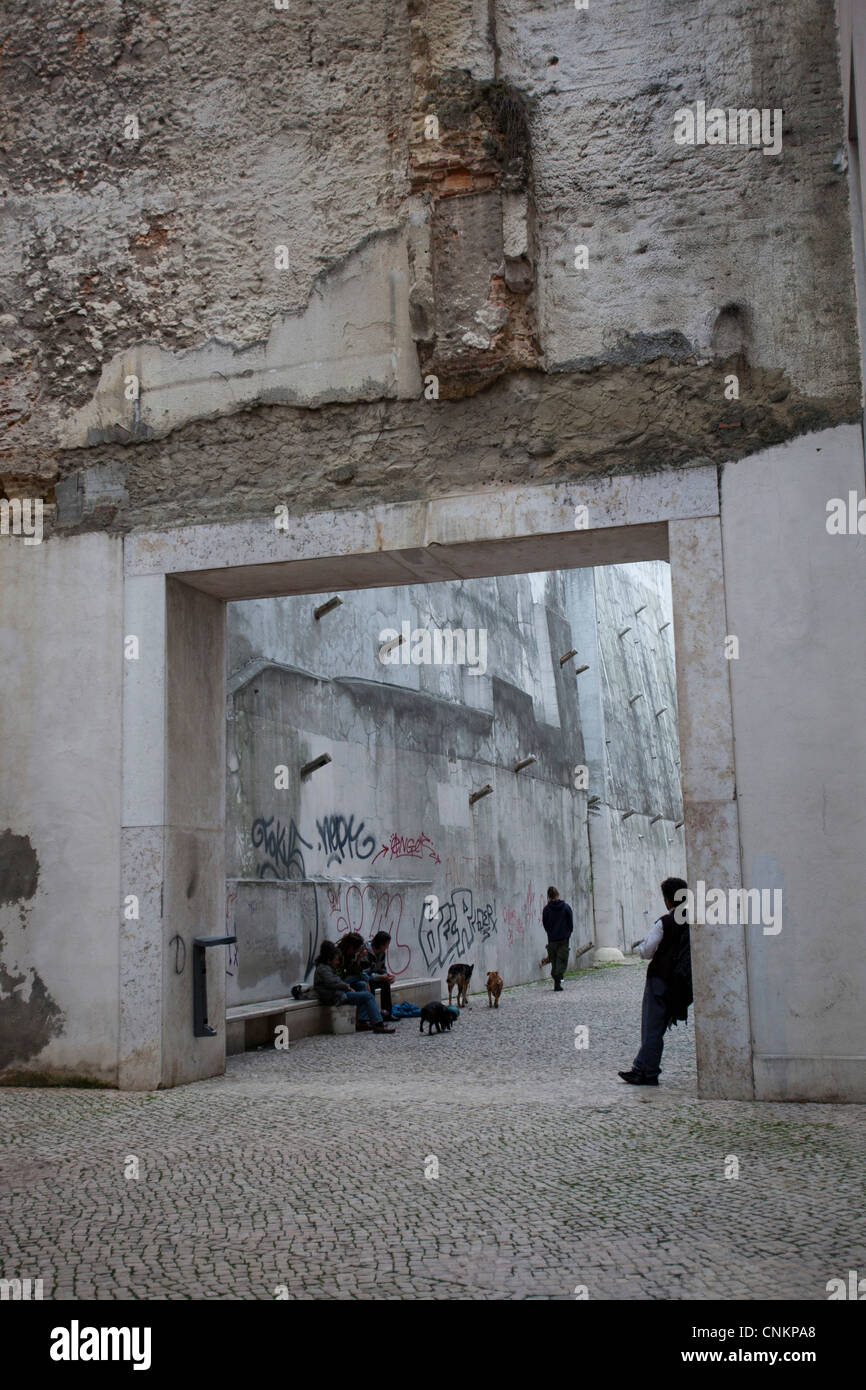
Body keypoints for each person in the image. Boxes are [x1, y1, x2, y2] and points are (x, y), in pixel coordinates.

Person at [619, 877, 693, 1086]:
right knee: (658, 1027)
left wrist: (641, 946)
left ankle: (648, 1072)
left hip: (660, 978)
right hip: (680, 983)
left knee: (651, 1027)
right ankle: (639, 1067)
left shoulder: (664, 923)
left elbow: (646, 951)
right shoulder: (692, 920)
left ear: (668, 900)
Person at [313, 941, 395, 1034]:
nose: (337, 962)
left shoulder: (327, 967)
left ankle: (363, 1021)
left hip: (338, 993)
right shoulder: (323, 968)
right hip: (335, 996)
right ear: (329, 959)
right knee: (367, 996)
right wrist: (347, 987)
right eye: (336, 960)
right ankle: (378, 1024)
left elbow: (339, 979)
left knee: (362, 985)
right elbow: (334, 982)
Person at [542, 885, 573, 991]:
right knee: (562, 960)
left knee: (554, 960)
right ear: (558, 894)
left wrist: (550, 932)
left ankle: (557, 982)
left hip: (552, 939)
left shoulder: (546, 909)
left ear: (548, 896)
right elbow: (570, 922)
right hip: (564, 938)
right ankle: (558, 980)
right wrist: (568, 932)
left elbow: (545, 924)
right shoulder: (565, 907)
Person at [365, 930, 396, 1021]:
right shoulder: (366, 952)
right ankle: (372, 1015)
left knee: (386, 983)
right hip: (366, 979)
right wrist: (381, 977)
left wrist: (387, 976)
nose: (387, 947)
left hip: (375, 977)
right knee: (370, 984)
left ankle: (387, 1013)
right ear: (381, 944)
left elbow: (382, 968)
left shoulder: (382, 953)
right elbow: (365, 974)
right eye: (387, 944)